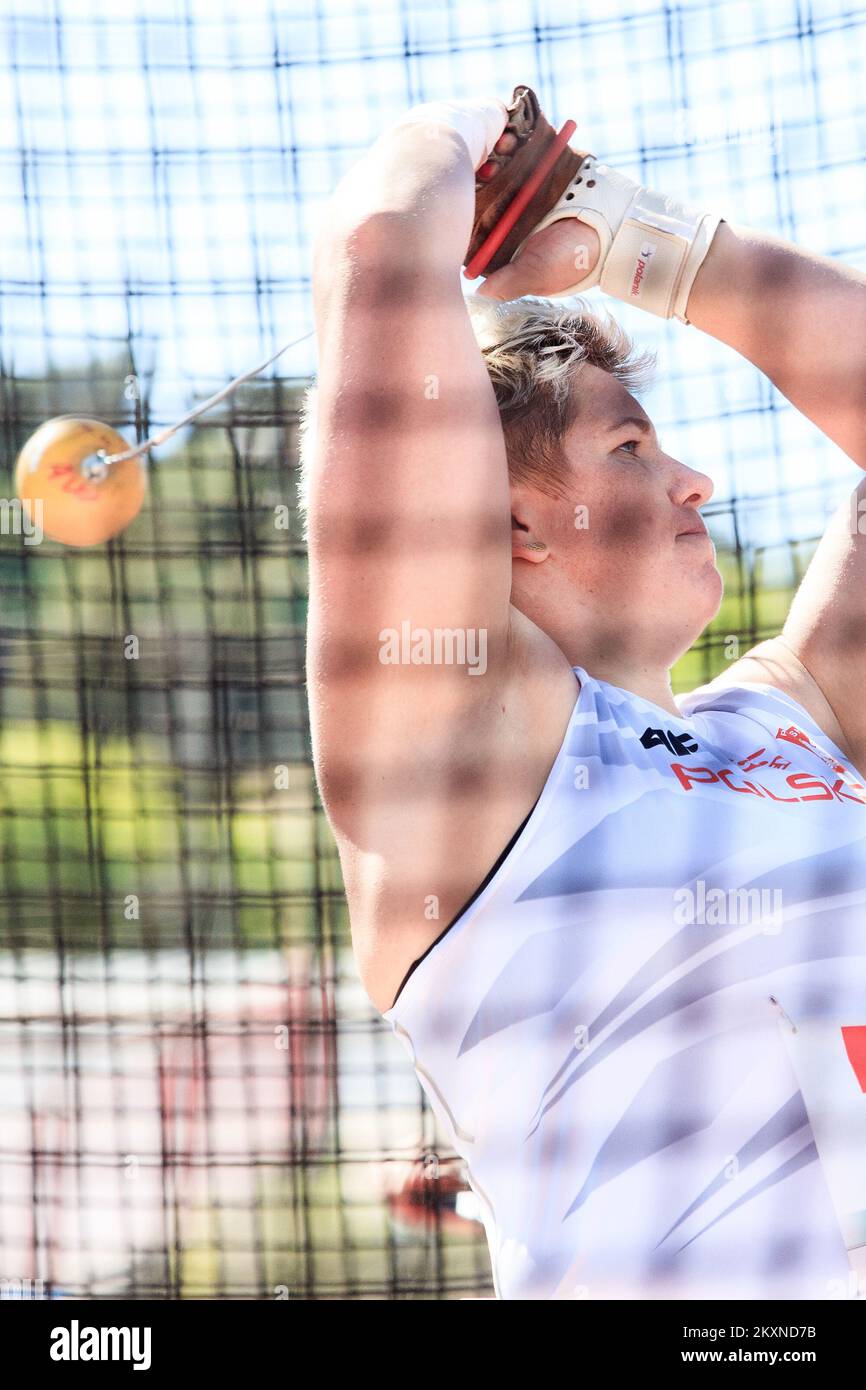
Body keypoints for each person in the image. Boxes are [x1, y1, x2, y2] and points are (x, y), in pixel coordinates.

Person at [301, 94, 866, 1299]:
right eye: (628, 449)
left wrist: (619, 235)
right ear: (510, 525)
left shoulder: (787, 718)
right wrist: (452, 129)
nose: (693, 479)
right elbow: (378, 248)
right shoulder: (467, 744)